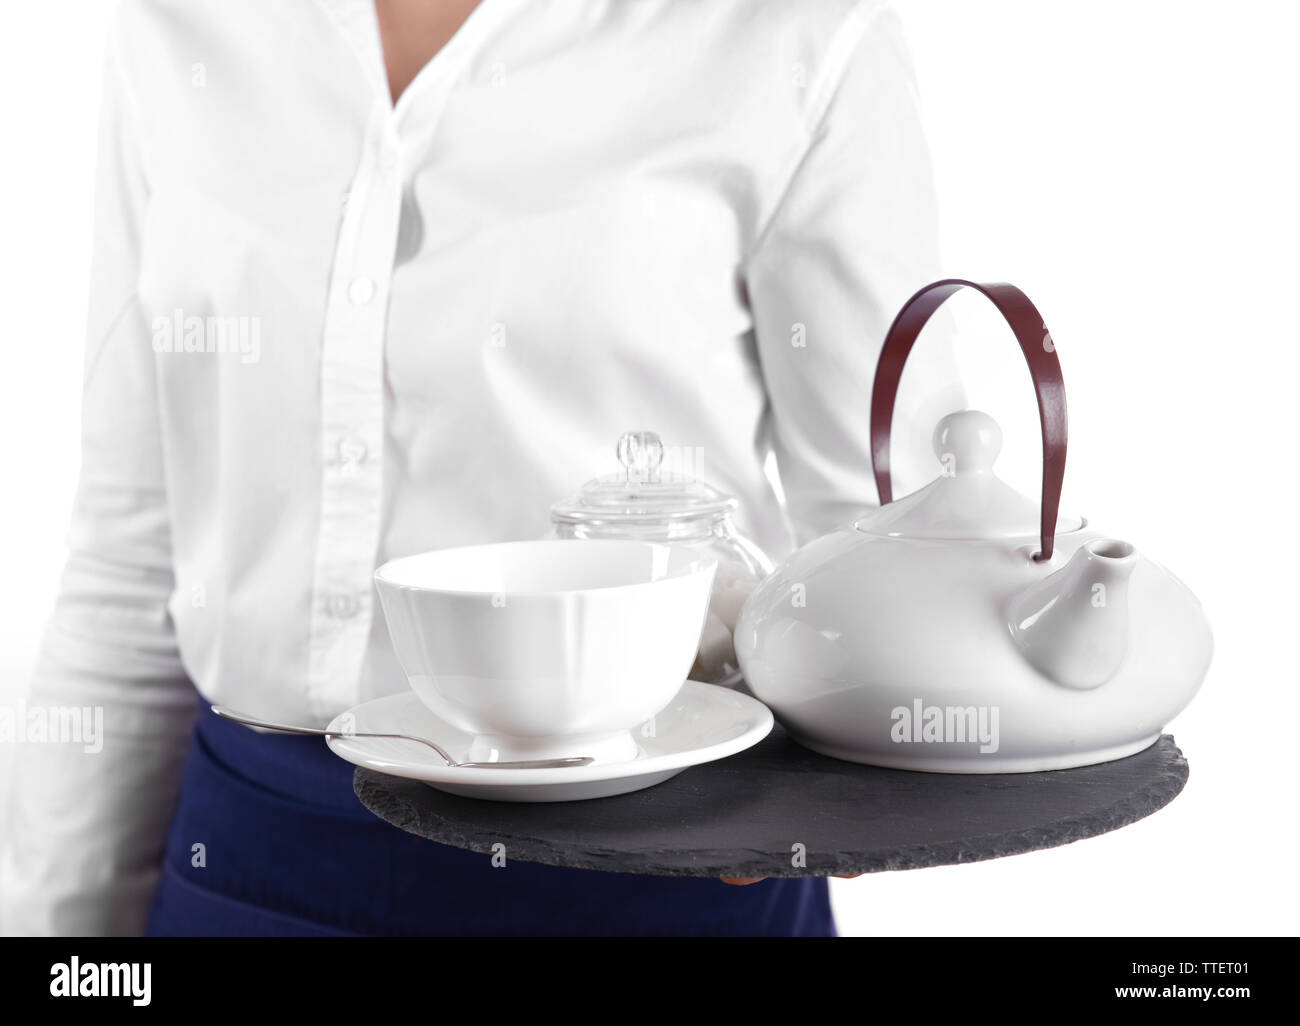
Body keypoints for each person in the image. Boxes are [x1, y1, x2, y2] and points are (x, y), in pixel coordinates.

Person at [0, 0, 962, 936]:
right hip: (249, 867)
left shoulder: (793, 31)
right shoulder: (179, 25)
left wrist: (807, 801)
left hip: (653, 874)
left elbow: (891, 552)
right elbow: (129, 567)